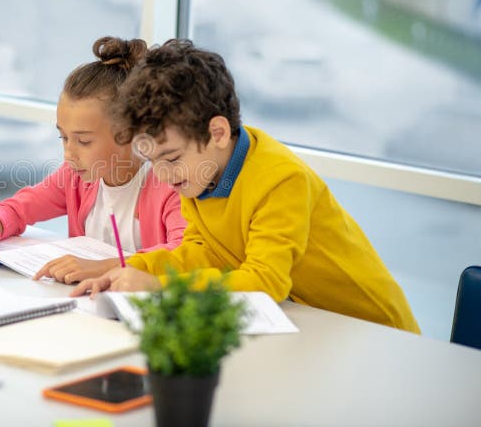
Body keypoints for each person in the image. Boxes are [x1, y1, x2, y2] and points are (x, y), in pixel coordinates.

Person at [71, 39, 420, 333]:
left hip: (372, 330)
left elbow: (266, 282)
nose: (162, 176)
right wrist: (132, 272)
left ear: (218, 133)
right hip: (305, 323)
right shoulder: (200, 174)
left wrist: (160, 288)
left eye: (171, 158)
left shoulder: (281, 180)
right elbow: (200, 252)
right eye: (153, 161)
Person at [0, 37, 186, 284]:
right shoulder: (74, 177)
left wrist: (103, 267)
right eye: (63, 137)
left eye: (84, 141)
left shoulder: (169, 185)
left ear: (129, 135)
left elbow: (182, 254)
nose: (68, 154)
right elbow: (20, 207)